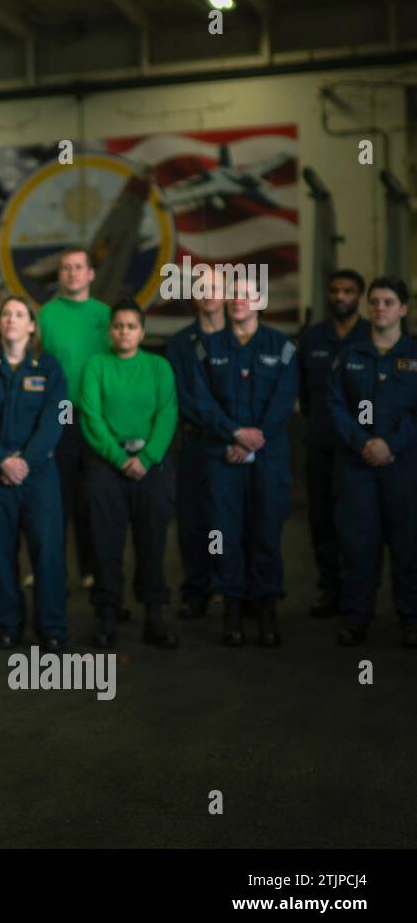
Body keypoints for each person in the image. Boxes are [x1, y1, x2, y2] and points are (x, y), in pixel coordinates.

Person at [190, 276, 298, 647]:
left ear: (260, 301)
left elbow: (284, 403)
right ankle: (231, 610)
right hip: (223, 455)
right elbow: (203, 403)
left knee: (266, 533)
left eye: (248, 295)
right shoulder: (206, 348)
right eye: (234, 295)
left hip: (267, 457)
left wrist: (252, 441)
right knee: (223, 535)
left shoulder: (282, 348)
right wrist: (235, 434)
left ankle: (267, 610)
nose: (239, 300)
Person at [0, 297, 68, 651]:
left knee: (48, 551)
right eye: (6, 314)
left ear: (31, 327)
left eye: (19, 314)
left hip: (39, 474)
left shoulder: (50, 369)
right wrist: (1, 461)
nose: (11, 319)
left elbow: (55, 419)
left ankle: (51, 627)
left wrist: (26, 462)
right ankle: (7, 624)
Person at [79, 301, 179, 648]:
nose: (124, 331)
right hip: (107, 466)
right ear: (110, 331)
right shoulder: (96, 365)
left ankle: (155, 615)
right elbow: (91, 417)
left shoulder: (159, 367)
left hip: (151, 466)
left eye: (131, 326)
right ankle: (107, 615)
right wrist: (121, 458)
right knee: (105, 544)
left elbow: (167, 416)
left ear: (142, 332)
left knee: (152, 542)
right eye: (118, 325)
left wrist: (147, 457)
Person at [328, 276, 417, 648]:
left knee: (408, 545)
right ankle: (355, 618)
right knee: (358, 544)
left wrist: (390, 444)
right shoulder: (350, 356)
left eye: (388, 301)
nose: (380, 307)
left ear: (403, 309)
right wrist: (364, 442)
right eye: (375, 301)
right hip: (357, 465)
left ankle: (411, 621)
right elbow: (335, 406)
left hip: (403, 465)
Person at [299, 269, 369, 619]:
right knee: (322, 520)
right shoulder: (312, 338)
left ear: (360, 296)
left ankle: (358, 592)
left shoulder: (371, 336)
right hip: (321, 445)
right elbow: (304, 397)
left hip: (359, 450)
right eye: (335, 290)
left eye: (348, 291)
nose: (340, 296)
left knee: (357, 522)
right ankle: (329, 588)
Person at [37, 248, 109, 589]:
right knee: (54, 498)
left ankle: (92, 569)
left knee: (92, 498)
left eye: (79, 267)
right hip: (57, 418)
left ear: (91, 274)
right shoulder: (45, 316)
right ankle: (49, 569)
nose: (72, 273)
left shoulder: (107, 316)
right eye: (65, 268)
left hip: (97, 419)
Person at [164, 273, 226, 620]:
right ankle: (196, 589)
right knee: (192, 521)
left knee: (228, 518)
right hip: (194, 443)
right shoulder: (180, 344)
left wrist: (231, 432)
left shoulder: (240, 339)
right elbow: (181, 397)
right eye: (202, 289)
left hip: (231, 446)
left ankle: (228, 584)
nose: (208, 295)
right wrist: (219, 425)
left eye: (215, 289)